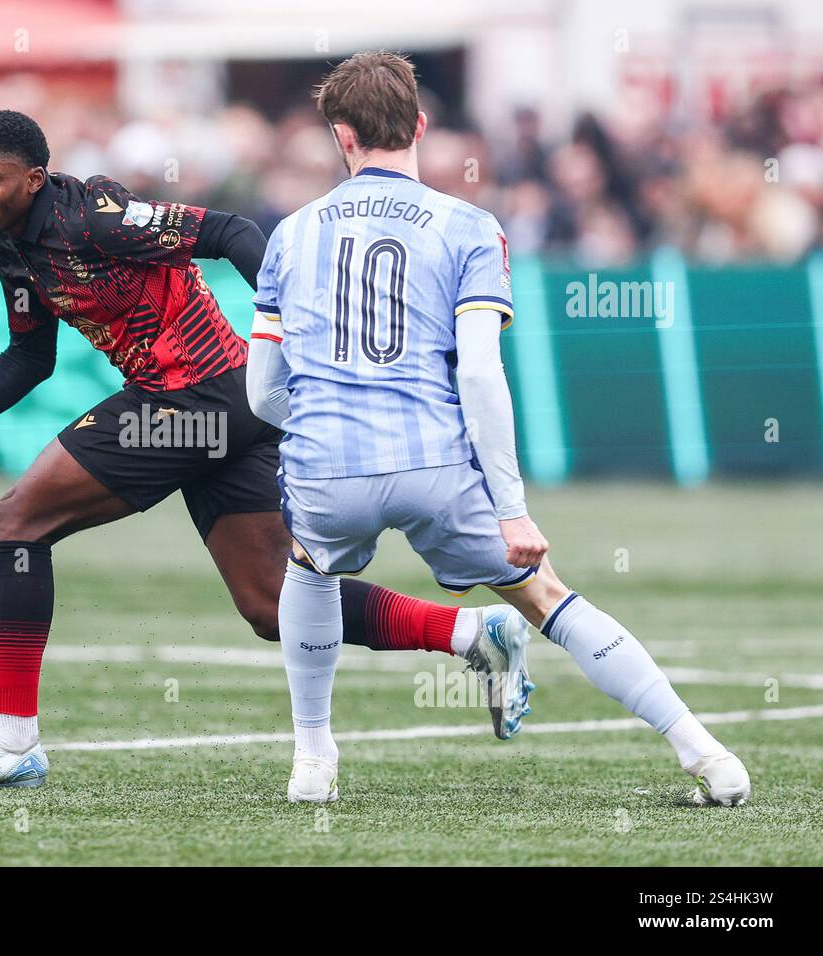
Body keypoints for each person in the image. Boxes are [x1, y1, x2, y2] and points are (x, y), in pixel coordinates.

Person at [0, 109, 524, 789]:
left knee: (15, 523)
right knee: (270, 604)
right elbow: (30, 358)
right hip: (230, 411)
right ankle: (472, 634)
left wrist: (297, 326)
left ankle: (12, 741)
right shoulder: (16, 249)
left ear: (33, 178)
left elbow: (232, 231)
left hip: (195, 400)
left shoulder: (96, 220)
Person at [246, 51, 751, 807]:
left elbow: (262, 392)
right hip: (436, 465)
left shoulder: (290, 233)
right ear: (420, 124)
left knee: (309, 569)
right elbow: (479, 374)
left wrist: (319, 424)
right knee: (547, 597)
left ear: (340, 135)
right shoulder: (471, 225)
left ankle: (313, 761)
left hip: (328, 465)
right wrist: (511, 505)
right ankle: (704, 752)